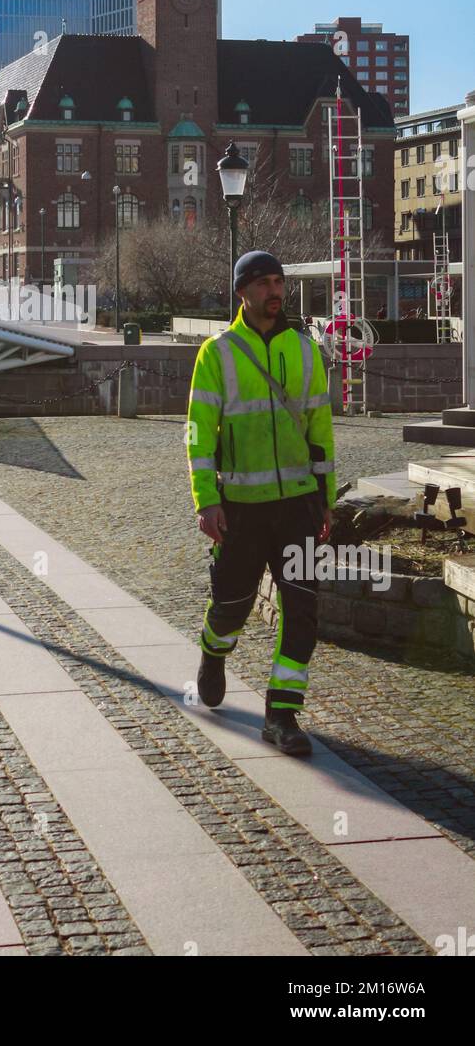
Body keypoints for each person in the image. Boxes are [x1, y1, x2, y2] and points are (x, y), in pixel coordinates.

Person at [186, 250, 337, 757]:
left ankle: (282, 715)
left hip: (297, 507)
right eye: (264, 283)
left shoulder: (305, 349)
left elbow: (320, 429)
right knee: (232, 605)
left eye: (280, 282)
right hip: (242, 508)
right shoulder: (218, 352)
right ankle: (213, 652)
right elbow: (199, 435)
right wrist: (207, 501)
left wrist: (326, 500)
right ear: (242, 292)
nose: (276, 291)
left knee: (302, 608)